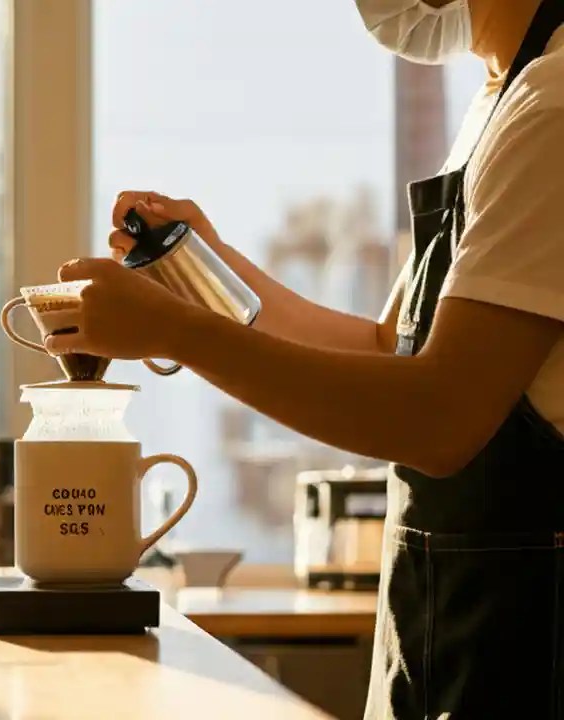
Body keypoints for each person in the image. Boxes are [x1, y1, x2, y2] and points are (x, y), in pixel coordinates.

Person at [53, 0, 564, 717]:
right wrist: (212, 280)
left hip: (525, 648)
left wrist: (177, 334)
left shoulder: (555, 102)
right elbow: (386, 348)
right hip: (446, 622)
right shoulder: (502, 98)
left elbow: (441, 418)